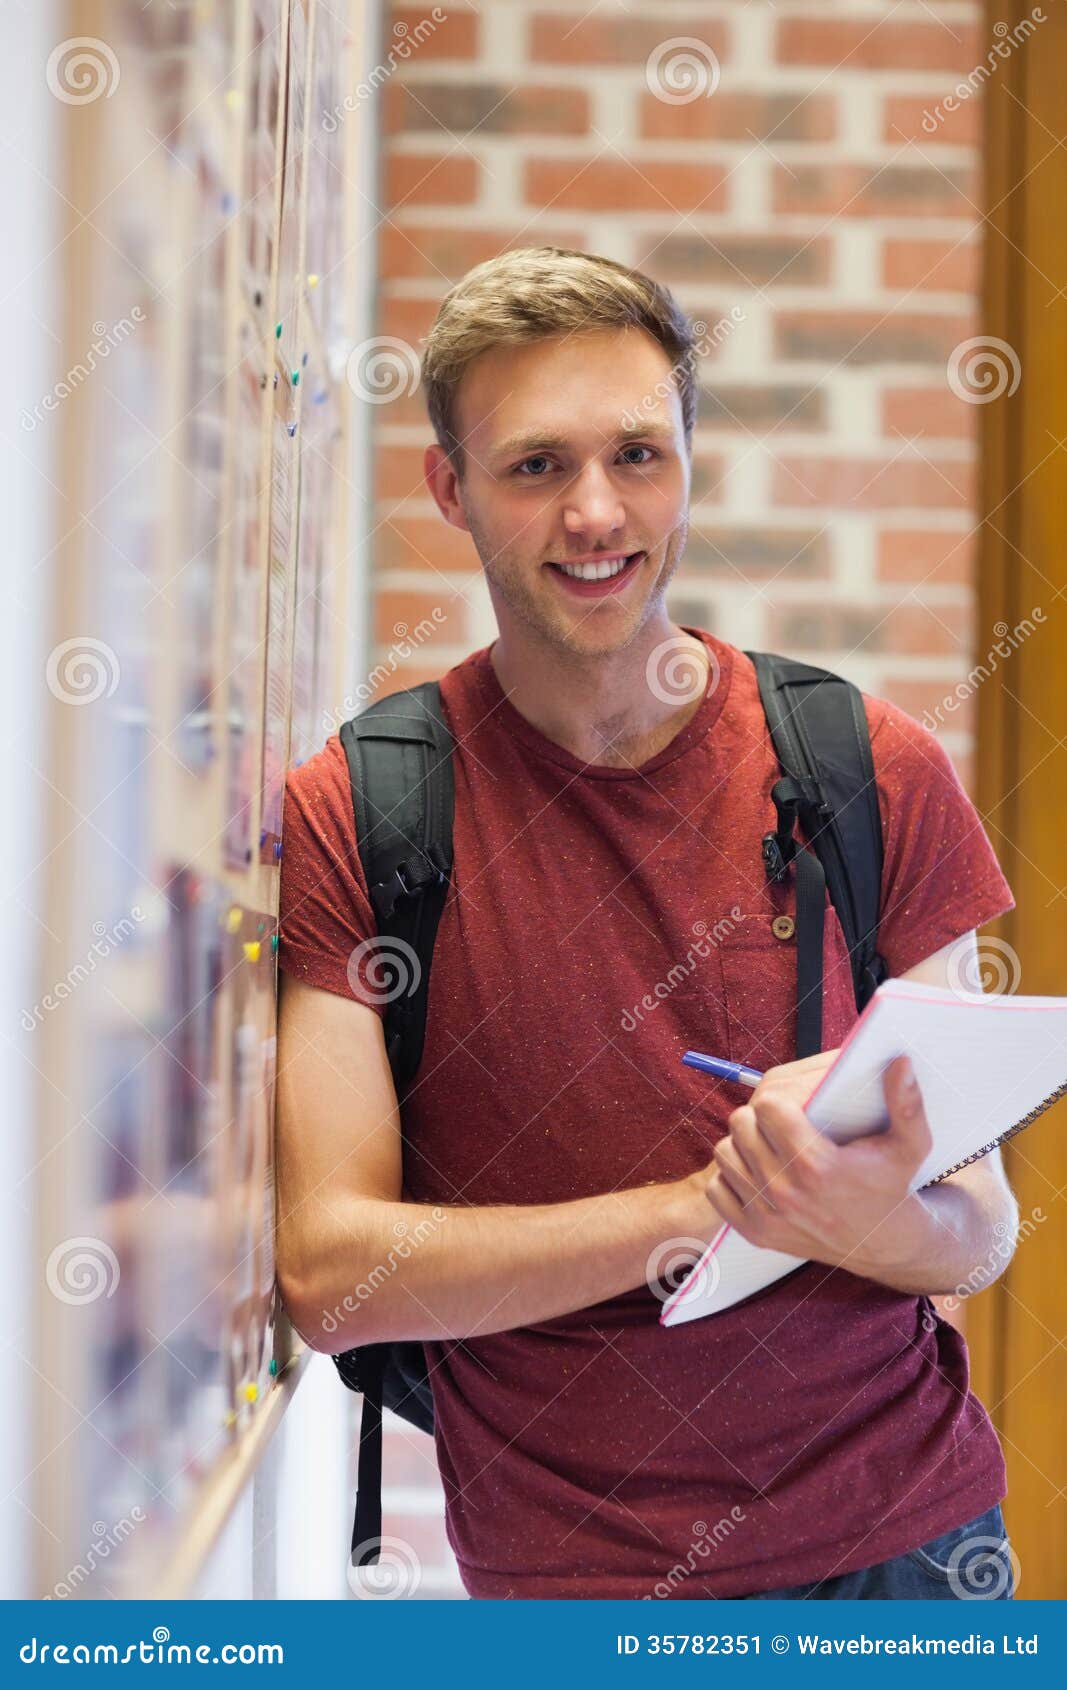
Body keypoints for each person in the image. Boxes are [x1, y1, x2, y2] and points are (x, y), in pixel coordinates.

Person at [275, 247, 1019, 1600]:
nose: (597, 512)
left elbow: (980, 1232)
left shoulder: (865, 765)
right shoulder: (361, 810)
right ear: (451, 488)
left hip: (910, 1558)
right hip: (573, 1592)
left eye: (637, 453)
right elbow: (332, 1271)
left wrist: (857, 1212)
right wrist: (699, 1211)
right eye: (536, 465)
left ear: (690, 463)